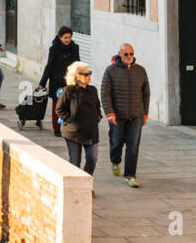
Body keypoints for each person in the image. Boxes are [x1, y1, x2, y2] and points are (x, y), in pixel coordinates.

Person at [101, 44, 150, 187]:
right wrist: (109, 113)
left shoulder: (140, 71)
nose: (129, 57)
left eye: (131, 54)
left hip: (136, 115)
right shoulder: (110, 70)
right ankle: (115, 161)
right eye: (126, 54)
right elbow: (105, 92)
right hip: (117, 115)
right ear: (119, 55)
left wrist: (145, 114)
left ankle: (130, 176)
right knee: (116, 142)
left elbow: (146, 93)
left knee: (133, 145)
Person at [57, 60, 102, 175]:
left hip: (91, 132)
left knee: (92, 159)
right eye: (86, 74)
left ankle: (87, 183)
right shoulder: (68, 91)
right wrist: (70, 121)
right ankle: (77, 187)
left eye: (89, 73)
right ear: (77, 76)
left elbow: (97, 107)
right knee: (75, 162)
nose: (89, 76)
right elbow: (59, 109)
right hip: (73, 132)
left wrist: (97, 117)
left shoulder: (93, 90)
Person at [37, 26, 80, 138]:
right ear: (60, 37)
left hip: (70, 82)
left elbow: (77, 64)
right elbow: (49, 66)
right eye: (65, 37)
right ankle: (57, 128)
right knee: (57, 107)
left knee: (71, 106)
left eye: (69, 37)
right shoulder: (54, 49)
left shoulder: (74, 47)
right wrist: (42, 83)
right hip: (57, 82)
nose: (67, 40)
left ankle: (69, 127)